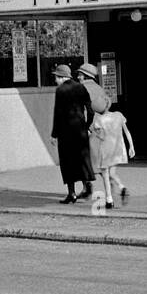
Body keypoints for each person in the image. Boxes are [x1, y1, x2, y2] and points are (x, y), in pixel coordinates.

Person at [51, 63, 93, 203]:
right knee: (82, 158)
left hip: (65, 131)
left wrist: (54, 134)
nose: (55, 80)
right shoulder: (81, 87)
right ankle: (87, 185)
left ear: (62, 77)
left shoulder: (60, 91)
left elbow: (58, 114)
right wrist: (87, 125)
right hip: (80, 129)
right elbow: (90, 110)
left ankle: (72, 193)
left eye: (56, 77)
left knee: (68, 161)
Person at [89, 109, 135, 209]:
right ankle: (122, 187)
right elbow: (126, 131)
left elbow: (100, 136)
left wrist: (94, 132)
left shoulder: (98, 119)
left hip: (105, 150)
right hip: (117, 149)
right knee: (112, 173)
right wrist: (131, 146)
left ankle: (109, 200)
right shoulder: (118, 115)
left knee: (105, 175)